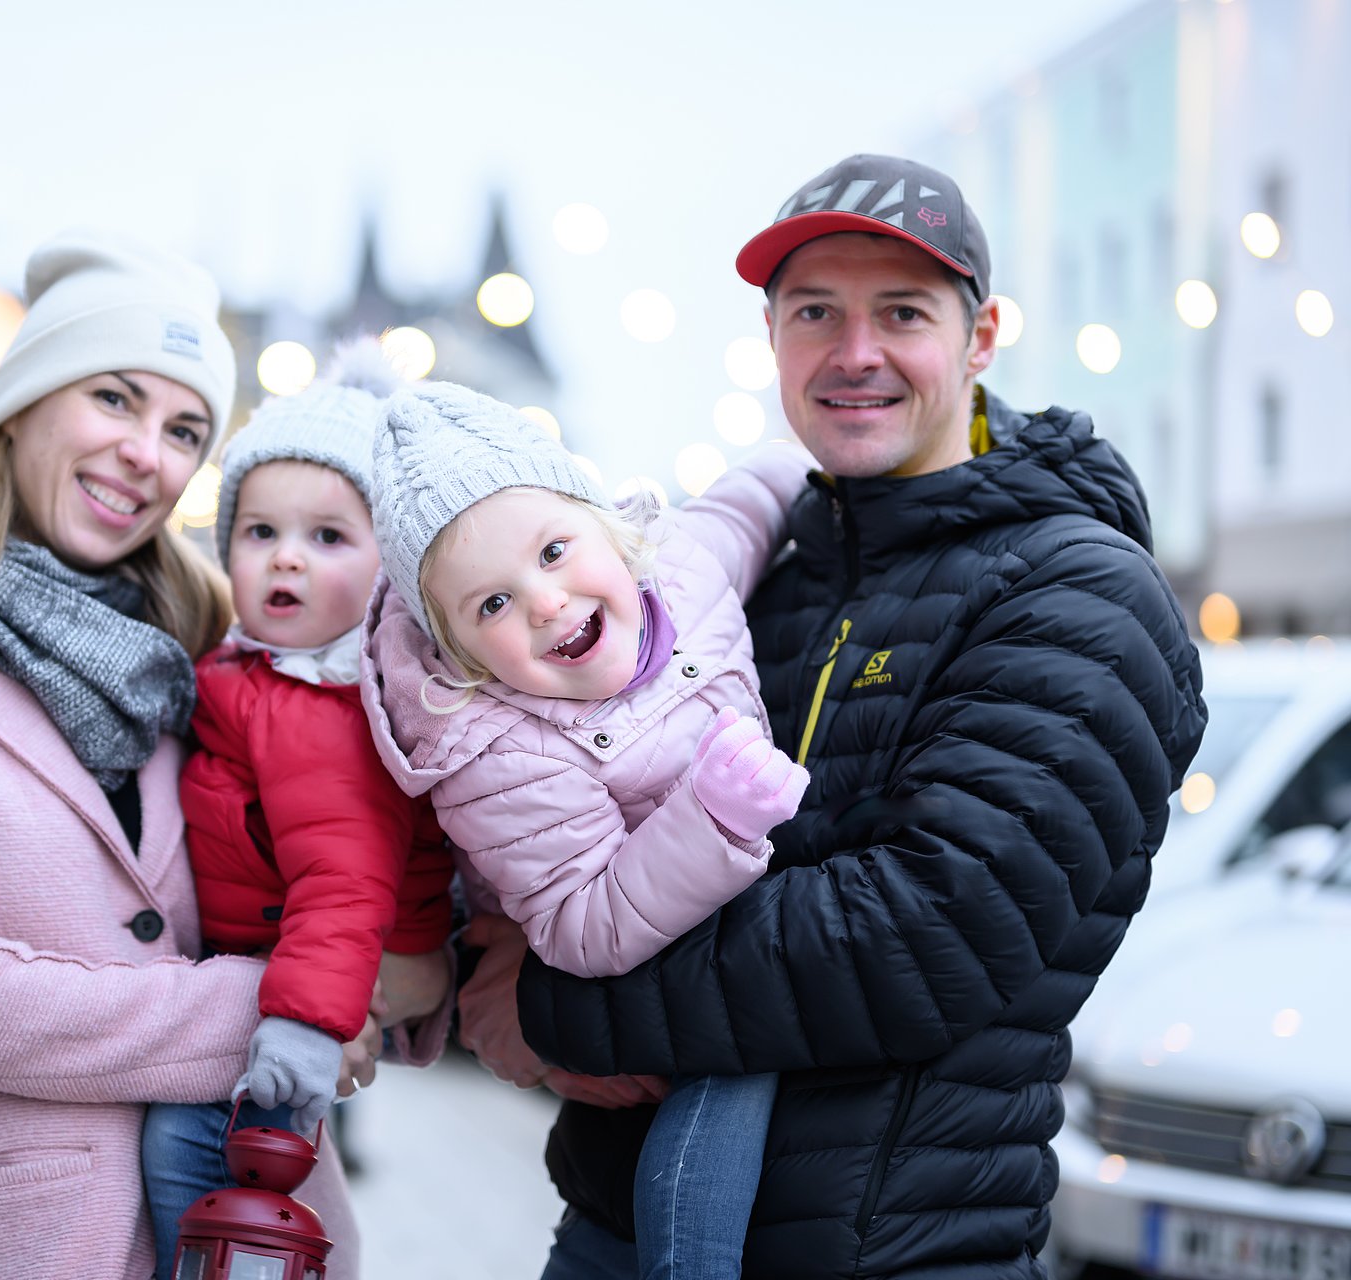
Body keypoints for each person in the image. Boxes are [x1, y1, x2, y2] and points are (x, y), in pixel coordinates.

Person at [493, 154, 1208, 1278]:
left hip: (898, 1246)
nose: (855, 351)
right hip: (619, 1226)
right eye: (815, 311)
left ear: (980, 338)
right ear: (773, 337)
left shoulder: (1077, 590)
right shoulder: (761, 574)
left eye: (903, 312)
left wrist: (561, 999)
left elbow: (926, 927)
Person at [0, 232, 440, 1279]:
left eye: (185, 428)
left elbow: (348, 819)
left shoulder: (215, 632)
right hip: (15, 1238)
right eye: (114, 398)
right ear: (24, 400)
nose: (146, 453)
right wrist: (270, 1007)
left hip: (244, 1217)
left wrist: (415, 961)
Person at [356, 380, 815, 1279]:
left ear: (611, 528)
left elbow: (753, 504)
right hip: (644, 972)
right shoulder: (492, 748)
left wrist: (814, 470)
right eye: (490, 604)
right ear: (457, 655)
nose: (543, 600)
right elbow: (579, 922)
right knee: (727, 1077)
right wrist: (713, 818)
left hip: (728, 937)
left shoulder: (680, 565)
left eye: (556, 550)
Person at [140, 343, 455, 1275]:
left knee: (196, 1174)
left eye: (328, 538)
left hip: (292, 1015)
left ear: (387, 567)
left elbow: (346, 876)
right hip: (274, 988)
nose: (286, 558)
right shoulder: (255, 675)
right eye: (260, 531)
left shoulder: (326, 708)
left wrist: (305, 1027)